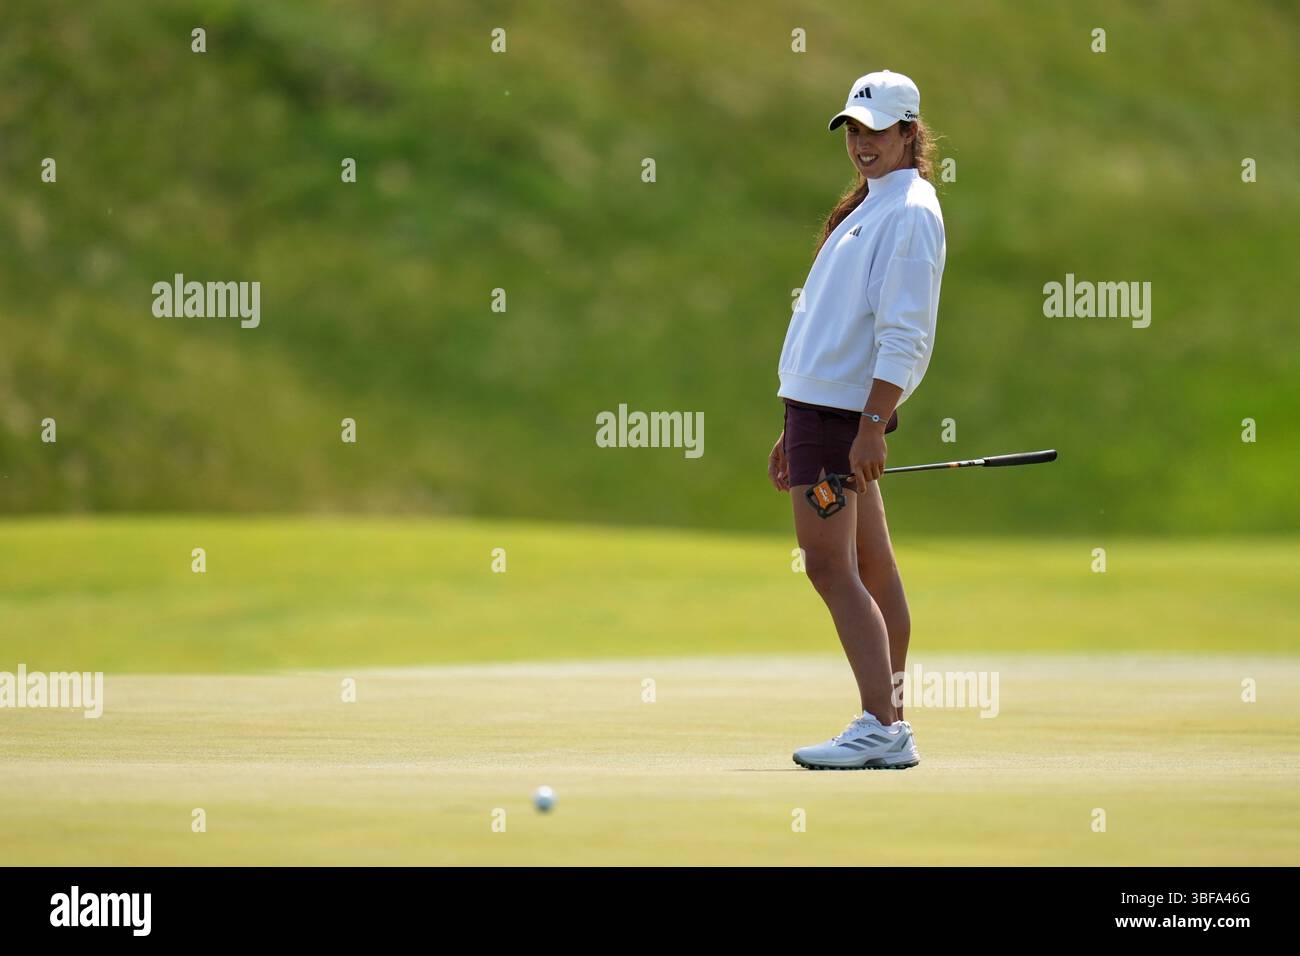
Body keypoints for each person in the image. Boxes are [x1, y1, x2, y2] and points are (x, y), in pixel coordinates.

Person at [768, 69, 945, 770]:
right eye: (853, 131)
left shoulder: (908, 212)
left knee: (827, 567)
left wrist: (873, 422)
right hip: (824, 410)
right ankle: (890, 719)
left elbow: (907, 333)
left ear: (909, 133)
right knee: (870, 565)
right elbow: (835, 329)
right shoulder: (876, 203)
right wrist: (795, 423)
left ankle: (881, 726)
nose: (863, 143)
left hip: (844, 413)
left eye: (877, 131)